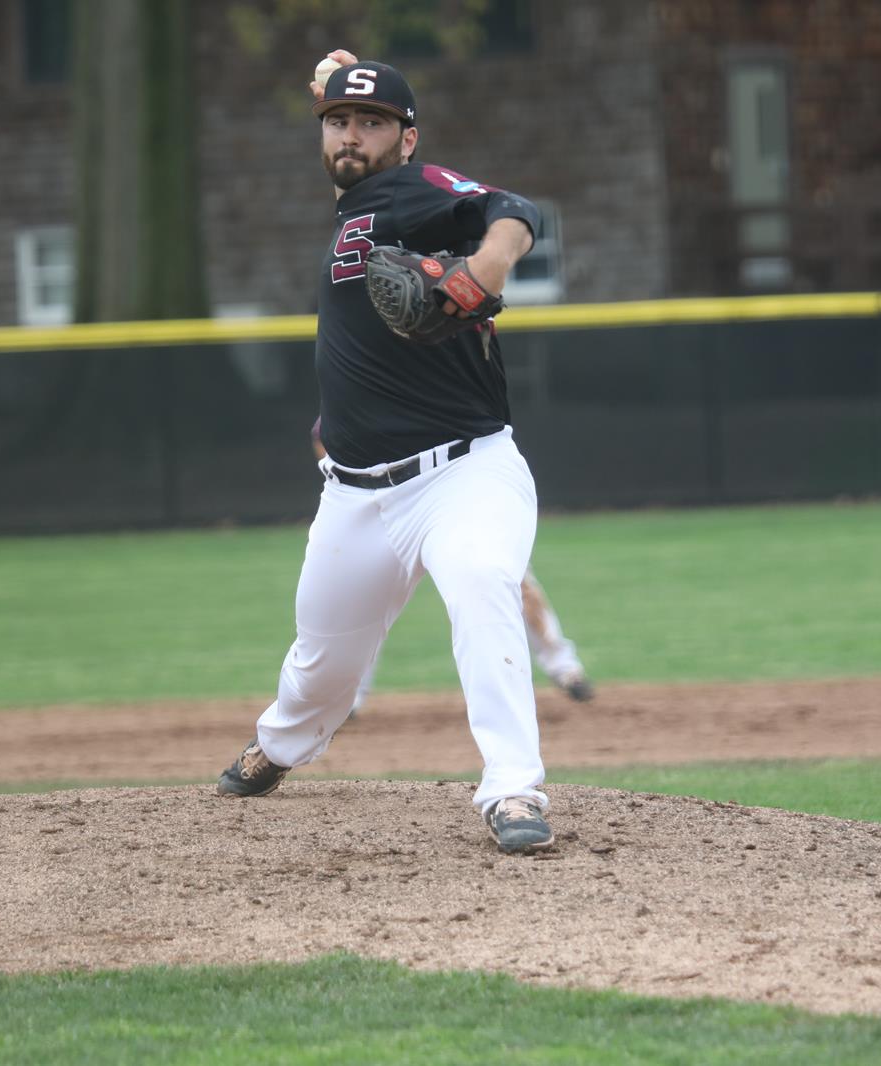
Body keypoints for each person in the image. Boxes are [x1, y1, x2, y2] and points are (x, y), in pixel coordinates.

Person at [217, 51, 558, 854]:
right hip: (355, 492)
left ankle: (513, 791)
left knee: (482, 586)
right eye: (340, 121)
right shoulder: (353, 206)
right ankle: (280, 744)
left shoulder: (412, 189)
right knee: (322, 661)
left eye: (373, 124)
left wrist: (482, 269)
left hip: (463, 474)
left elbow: (514, 210)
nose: (352, 135)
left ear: (408, 139)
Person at [308, 416, 594, 715]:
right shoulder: (367, 389)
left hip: (457, 497)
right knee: (364, 599)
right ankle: (348, 696)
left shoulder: (446, 389)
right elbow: (323, 435)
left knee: (513, 579)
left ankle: (565, 668)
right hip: (392, 505)